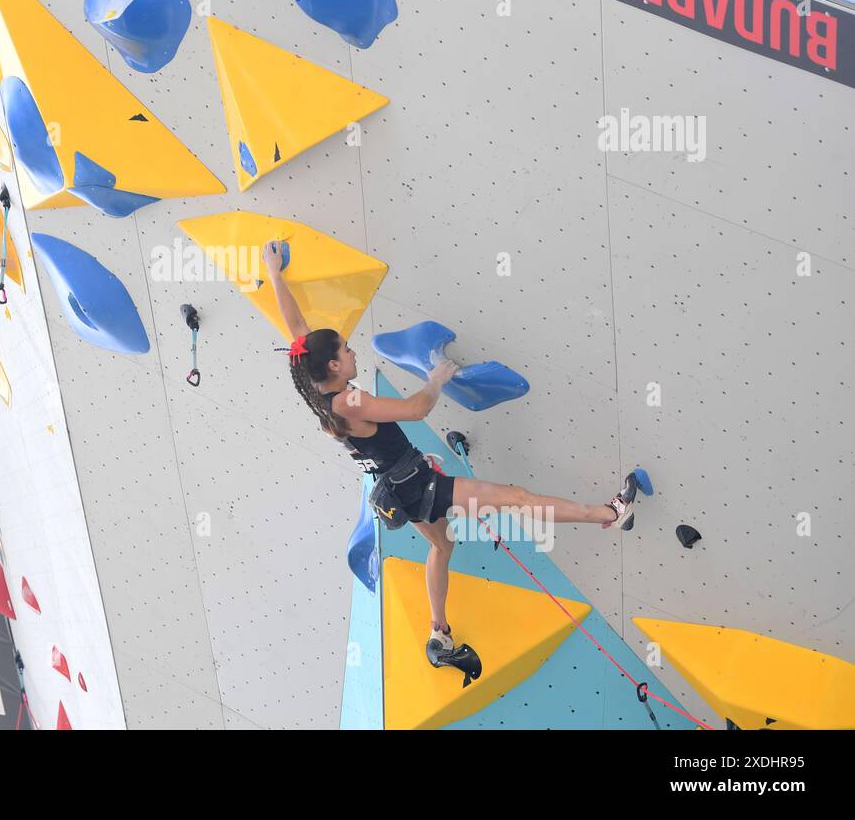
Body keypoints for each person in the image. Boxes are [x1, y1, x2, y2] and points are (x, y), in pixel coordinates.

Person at [262, 240, 639, 661]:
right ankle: (610, 513)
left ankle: (438, 633)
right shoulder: (350, 402)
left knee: (442, 548)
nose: (352, 353)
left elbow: (297, 331)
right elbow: (415, 409)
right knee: (516, 498)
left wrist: (275, 273)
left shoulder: (314, 387)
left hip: (398, 486)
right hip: (418, 485)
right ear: (333, 366)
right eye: (346, 351)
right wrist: (437, 376)